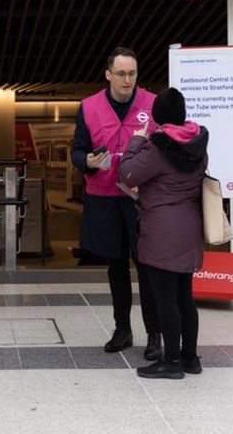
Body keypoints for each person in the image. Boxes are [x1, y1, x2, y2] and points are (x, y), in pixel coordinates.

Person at [71, 47, 162, 357]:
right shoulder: (88, 107)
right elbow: (77, 151)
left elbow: (165, 148)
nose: (127, 80)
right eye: (121, 74)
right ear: (108, 74)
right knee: (116, 266)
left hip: (140, 199)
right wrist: (87, 161)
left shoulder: (152, 104)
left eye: (132, 73)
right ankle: (122, 329)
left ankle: (154, 334)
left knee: (148, 265)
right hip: (105, 198)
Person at [118, 88, 208, 380]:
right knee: (185, 296)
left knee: (165, 299)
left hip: (162, 232)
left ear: (158, 116)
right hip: (189, 227)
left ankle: (171, 361)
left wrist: (137, 140)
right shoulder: (197, 145)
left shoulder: (158, 147)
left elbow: (127, 173)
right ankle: (189, 358)